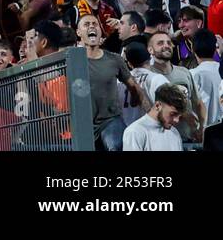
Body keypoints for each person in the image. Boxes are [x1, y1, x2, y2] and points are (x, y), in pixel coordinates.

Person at [76, 13, 149, 150]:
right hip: (81, 124)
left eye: (95, 24)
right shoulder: (71, 60)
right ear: (79, 32)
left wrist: (151, 115)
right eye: (87, 24)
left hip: (110, 120)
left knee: (116, 145)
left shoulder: (115, 59)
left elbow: (134, 87)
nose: (92, 26)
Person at [122, 84, 189, 151]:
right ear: (158, 106)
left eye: (179, 116)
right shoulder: (135, 132)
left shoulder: (174, 133)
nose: (176, 120)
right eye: (173, 114)